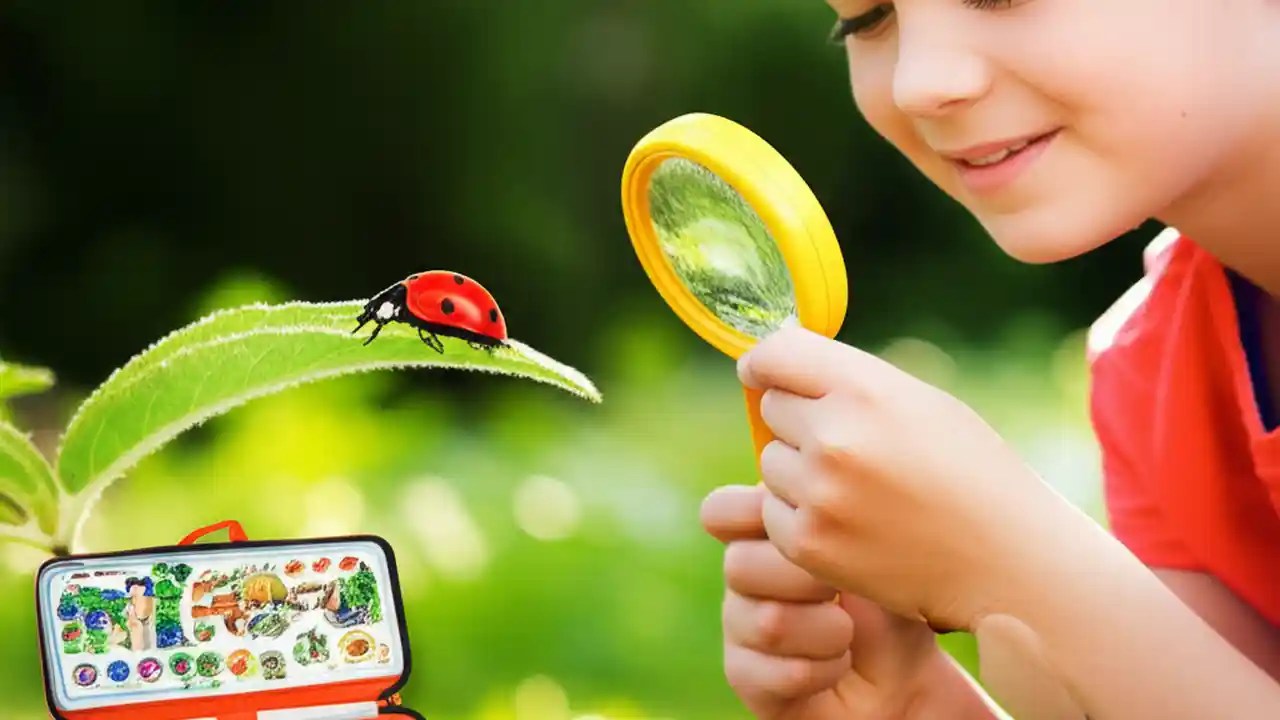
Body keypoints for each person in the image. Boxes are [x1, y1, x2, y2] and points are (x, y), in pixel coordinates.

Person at [699, 1, 1280, 718]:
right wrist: (915, 701)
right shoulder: (1155, 379)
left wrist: (1020, 569)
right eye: (868, 17)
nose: (919, 82)